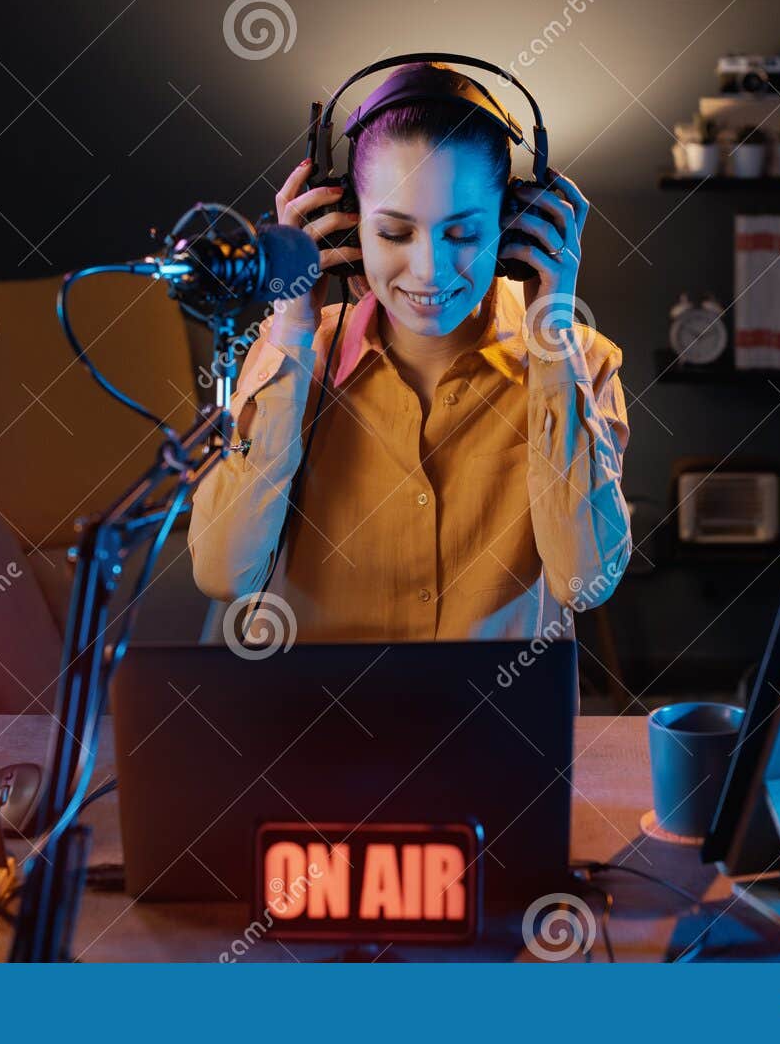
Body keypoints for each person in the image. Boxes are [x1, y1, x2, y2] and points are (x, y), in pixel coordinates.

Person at [188, 70, 630, 643]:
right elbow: (223, 573)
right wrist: (291, 325)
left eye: (463, 234)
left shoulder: (579, 360)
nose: (430, 271)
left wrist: (552, 338)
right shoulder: (294, 354)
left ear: (514, 226)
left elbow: (585, 583)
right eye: (395, 233)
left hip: (495, 723)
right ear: (342, 226)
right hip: (315, 722)